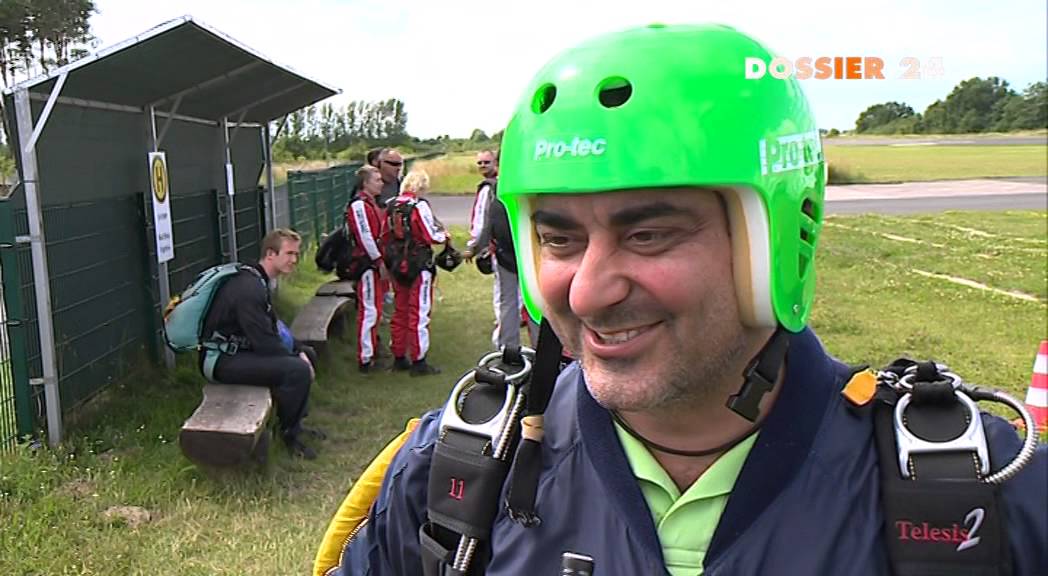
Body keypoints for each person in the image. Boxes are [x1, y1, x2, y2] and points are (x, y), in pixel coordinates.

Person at [316, 24, 1047, 575]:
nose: (591, 291)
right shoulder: (458, 468)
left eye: (650, 234)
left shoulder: (978, 494)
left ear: (777, 243)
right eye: (560, 239)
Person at [201, 228, 322, 460]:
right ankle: (288, 436)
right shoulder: (249, 288)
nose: (294, 260)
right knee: (296, 370)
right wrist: (296, 359)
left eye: (296, 254)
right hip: (220, 360)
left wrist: (298, 350)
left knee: (308, 353)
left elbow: (273, 328)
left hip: (240, 353)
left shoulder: (258, 280)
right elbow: (264, 342)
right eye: (289, 254)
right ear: (270, 254)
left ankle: (296, 423)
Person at [463, 149, 531, 349]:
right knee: (532, 300)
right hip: (526, 250)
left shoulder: (493, 188)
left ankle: (508, 346)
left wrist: (475, 247)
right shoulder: (528, 183)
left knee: (508, 300)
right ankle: (531, 346)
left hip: (506, 252)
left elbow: (484, 221)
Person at [384, 170, 447, 376]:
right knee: (418, 312)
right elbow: (430, 235)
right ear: (421, 186)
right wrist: (444, 236)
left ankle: (399, 356)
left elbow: (384, 234)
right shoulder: (419, 206)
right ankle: (419, 361)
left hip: (396, 263)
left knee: (400, 310)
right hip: (418, 264)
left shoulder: (391, 204)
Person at [344, 165, 389, 373]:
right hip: (367, 265)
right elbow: (365, 236)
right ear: (365, 183)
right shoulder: (359, 206)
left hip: (374, 263)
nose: (381, 183)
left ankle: (372, 351)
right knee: (369, 310)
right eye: (377, 179)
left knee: (376, 309)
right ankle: (365, 358)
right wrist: (378, 261)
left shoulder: (373, 204)